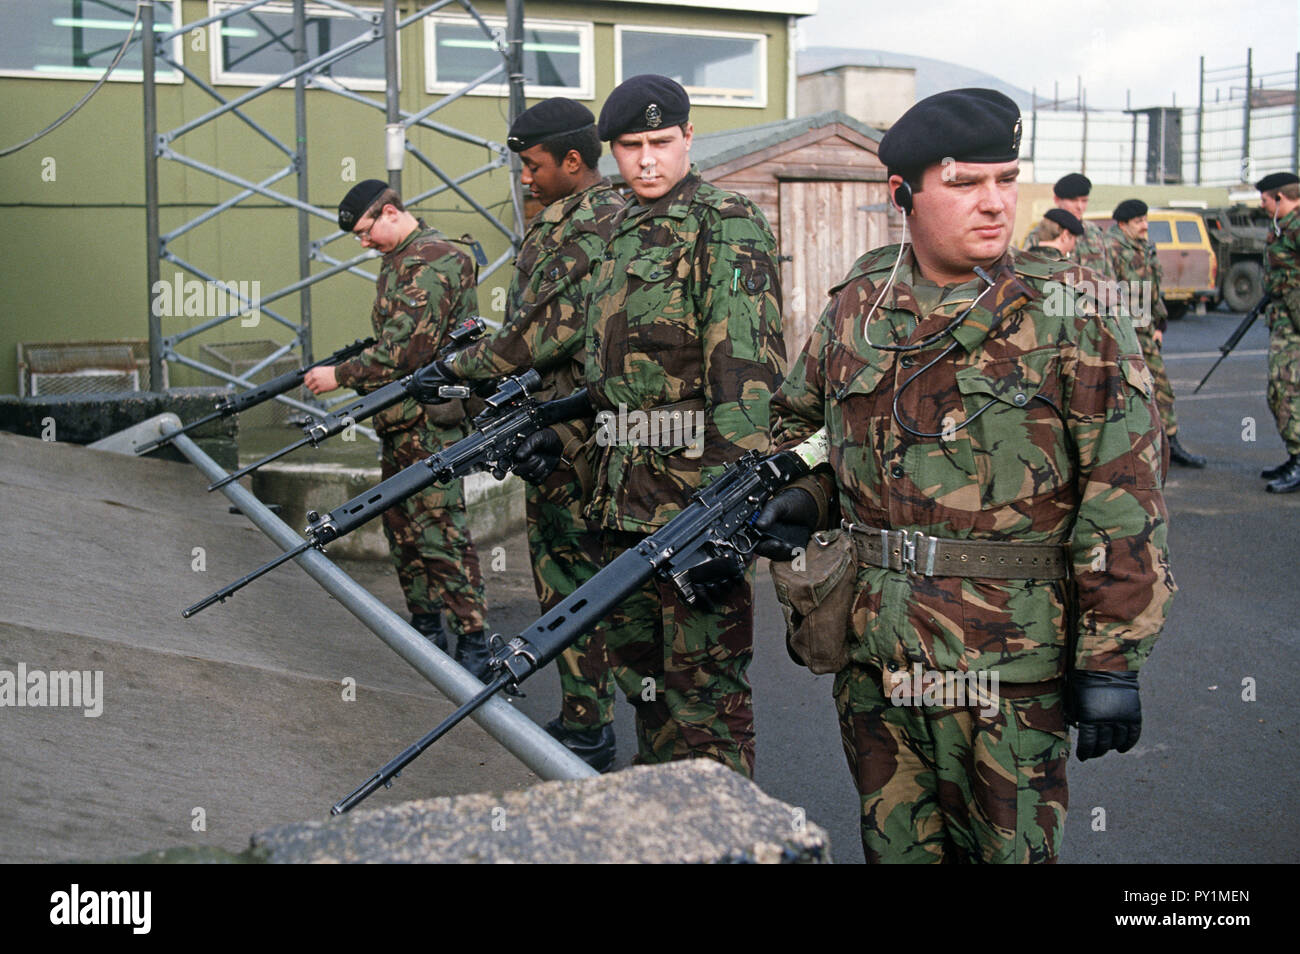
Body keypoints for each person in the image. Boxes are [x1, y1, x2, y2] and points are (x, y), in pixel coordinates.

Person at [759, 88, 1175, 863]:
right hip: (877, 653)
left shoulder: (1070, 317)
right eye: (964, 184)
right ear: (901, 196)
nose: (994, 205)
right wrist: (805, 495)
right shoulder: (859, 304)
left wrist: (1112, 658)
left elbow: (1124, 500)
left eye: (1005, 180)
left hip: (1008, 665)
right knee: (896, 850)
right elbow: (805, 427)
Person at [514, 75, 786, 778]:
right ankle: (662, 833)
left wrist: (732, 517)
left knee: (707, 706)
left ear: (689, 138)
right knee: (647, 689)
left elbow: (746, 381)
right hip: (618, 507)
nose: (646, 160)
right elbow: (606, 385)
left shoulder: (725, 222)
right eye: (630, 146)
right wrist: (564, 441)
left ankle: (730, 847)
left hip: (694, 509)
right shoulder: (616, 233)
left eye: (661, 143)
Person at [416, 98, 626, 769]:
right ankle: (596, 722)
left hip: (566, 435)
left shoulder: (578, 224)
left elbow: (536, 337)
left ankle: (590, 725)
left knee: (568, 574)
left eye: (532, 167)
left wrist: (458, 369)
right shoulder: (630, 216)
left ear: (573, 160)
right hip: (608, 429)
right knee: (612, 580)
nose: (526, 181)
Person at [304, 180, 491, 677]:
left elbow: (403, 353)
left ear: (389, 213)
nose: (362, 244)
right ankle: (425, 625)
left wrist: (338, 375)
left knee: (440, 531)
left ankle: (474, 636)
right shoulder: (400, 260)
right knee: (404, 530)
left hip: (430, 423)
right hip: (401, 423)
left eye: (365, 232)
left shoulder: (432, 261)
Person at [1108, 198, 1206, 467]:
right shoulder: (1111, 249)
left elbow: (1153, 292)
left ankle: (1169, 445)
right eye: (1138, 221)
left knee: (1158, 388)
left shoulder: (1144, 248)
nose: (1144, 226)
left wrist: (1160, 325)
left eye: (1145, 220)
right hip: (1124, 331)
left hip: (1145, 330)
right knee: (1124, 391)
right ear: (1123, 224)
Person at [1256, 171, 1300, 493]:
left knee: (1286, 392)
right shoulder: (1282, 228)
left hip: (1294, 327)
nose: (1262, 205)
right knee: (1279, 392)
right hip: (1284, 322)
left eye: (1265, 199)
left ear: (1280, 198)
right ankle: (1295, 455)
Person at [1021, 173, 1113, 276]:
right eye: (1073, 200)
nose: (1079, 206)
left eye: (1084, 201)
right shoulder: (1040, 234)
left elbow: (1108, 273)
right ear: (1057, 200)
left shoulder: (1094, 232)